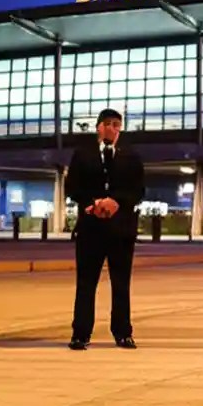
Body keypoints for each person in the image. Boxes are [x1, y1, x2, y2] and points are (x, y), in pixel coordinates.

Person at [64, 108, 145, 350]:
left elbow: (139, 190)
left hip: (121, 231)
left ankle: (122, 333)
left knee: (121, 284)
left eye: (117, 125)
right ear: (99, 127)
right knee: (86, 283)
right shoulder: (82, 154)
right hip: (91, 229)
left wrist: (116, 201)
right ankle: (80, 333)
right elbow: (72, 187)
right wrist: (93, 203)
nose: (113, 128)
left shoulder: (131, 155)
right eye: (108, 124)